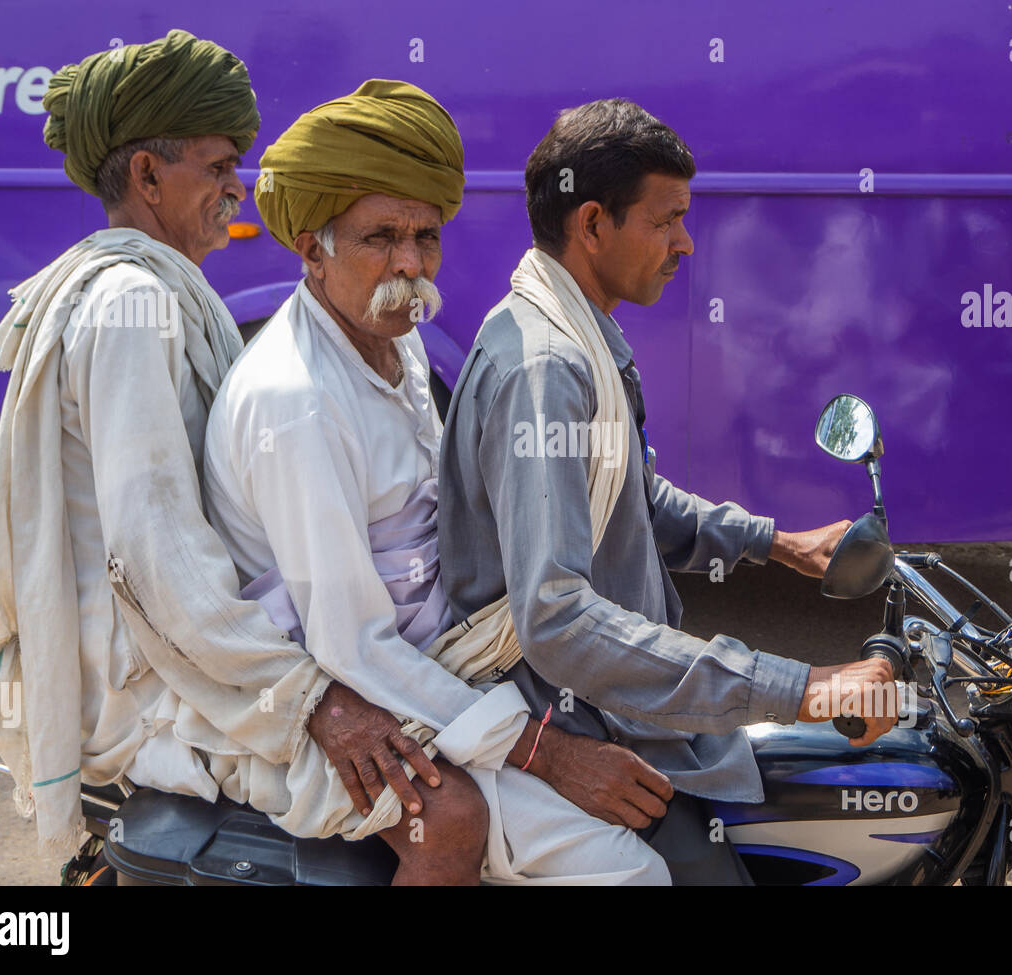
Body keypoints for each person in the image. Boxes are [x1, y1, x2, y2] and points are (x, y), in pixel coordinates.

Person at [0, 32, 483, 885]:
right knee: (448, 816)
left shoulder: (165, 287)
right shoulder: (130, 304)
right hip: (152, 687)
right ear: (148, 177)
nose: (238, 189)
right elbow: (158, 560)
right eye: (218, 166)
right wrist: (318, 701)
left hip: (199, 650)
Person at [201, 81, 673, 884]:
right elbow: (351, 646)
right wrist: (542, 752)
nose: (412, 265)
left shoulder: (396, 339)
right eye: (379, 238)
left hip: (440, 668)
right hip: (348, 704)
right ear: (311, 249)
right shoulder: (297, 400)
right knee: (628, 871)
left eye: (425, 235)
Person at [437, 98, 899, 882]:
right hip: (580, 716)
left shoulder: (580, 332)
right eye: (666, 220)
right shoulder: (547, 369)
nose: (685, 243)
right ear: (592, 224)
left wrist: (778, 544)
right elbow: (555, 618)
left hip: (618, 704)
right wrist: (804, 684)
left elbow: (633, 500)